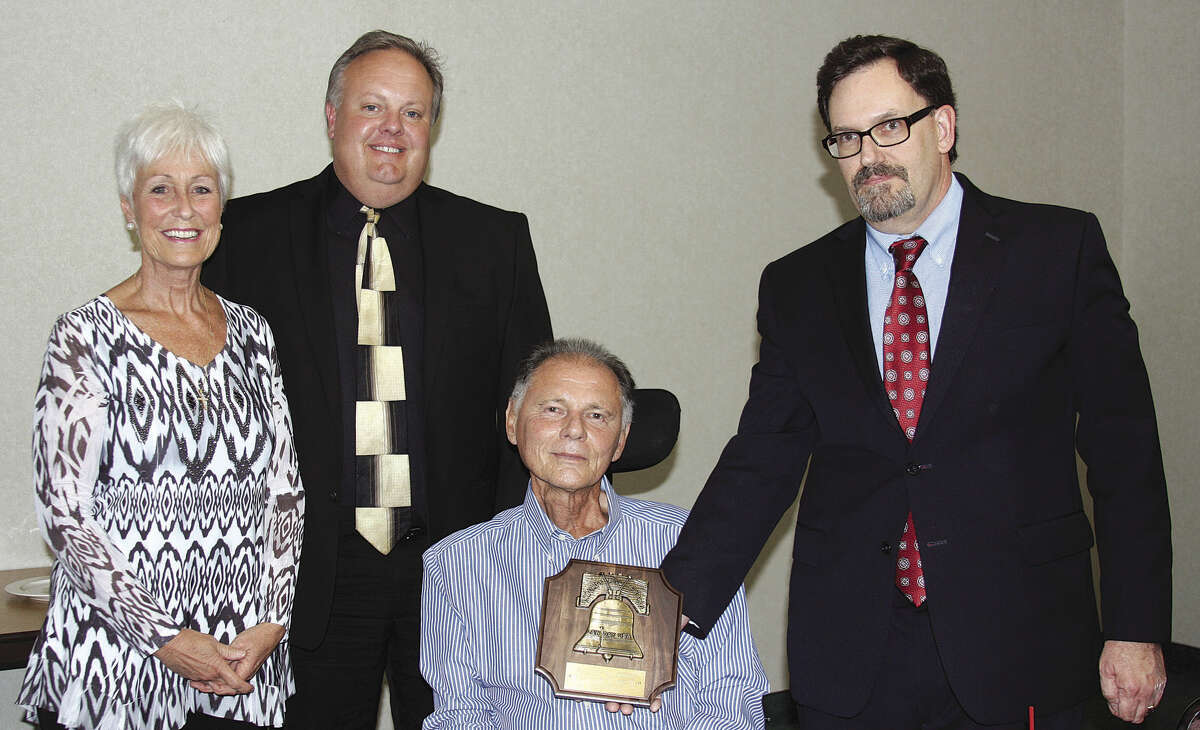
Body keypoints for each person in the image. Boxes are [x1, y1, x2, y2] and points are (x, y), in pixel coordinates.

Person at [661, 34, 1171, 730]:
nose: (868, 155)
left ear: (944, 126)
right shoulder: (798, 285)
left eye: (890, 127)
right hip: (853, 655)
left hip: (1020, 640)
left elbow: (1126, 453)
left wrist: (1136, 626)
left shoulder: (1057, 251)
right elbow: (763, 457)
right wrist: (668, 607)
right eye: (845, 138)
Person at [201, 30, 552, 729]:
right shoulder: (243, 237)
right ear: (333, 117)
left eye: (414, 113)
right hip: (307, 583)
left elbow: (533, 409)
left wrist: (521, 563)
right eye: (373, 108)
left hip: (456, 572)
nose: (393, 130)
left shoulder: (496, 242)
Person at [17, 101, 305, 730]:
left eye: (202, 189)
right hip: (122, 660)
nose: (183, 208)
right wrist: (165, 637)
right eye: (160, 189)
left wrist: (273, 619)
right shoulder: (82, 336)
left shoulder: (255, 332)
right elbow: (63, 514)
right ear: (129, 208)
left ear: (221, 209)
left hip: (240, 660)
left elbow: (285, 493)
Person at [420, 338, 767, 729]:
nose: (574, 431)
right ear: (512, 422)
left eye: (598, 416)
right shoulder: (454, 563)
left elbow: (731, 698)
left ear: (620, 440)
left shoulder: (692, 544)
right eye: (553, 409)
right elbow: (461, 715)